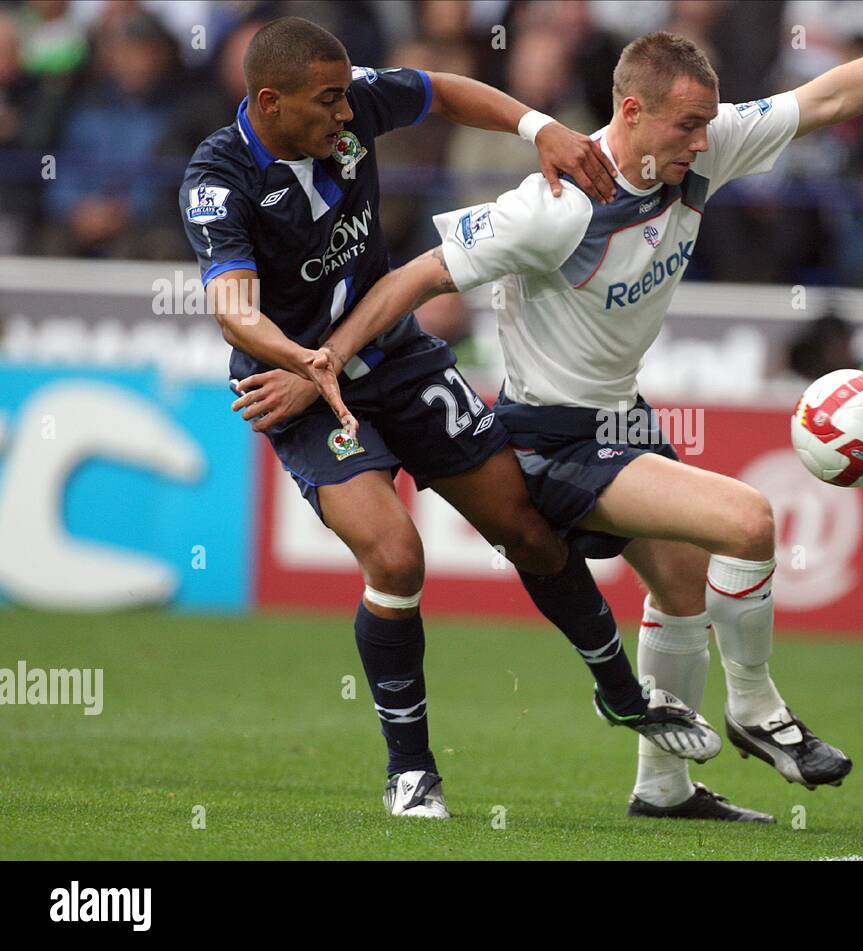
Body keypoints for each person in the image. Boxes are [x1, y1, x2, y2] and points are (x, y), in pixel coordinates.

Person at [303, 1, 863, 822]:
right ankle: (757, 710)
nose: (705, 138)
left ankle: (664, 789)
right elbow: (416, 277)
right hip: (549, 438)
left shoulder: (702, 148)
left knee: (688, 583)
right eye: (689, 123)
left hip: (621, 417)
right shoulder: (553, 204)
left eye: (708, 122)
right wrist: (326, 361)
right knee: (748, 519)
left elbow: (832, 98)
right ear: (632, 110)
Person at [180, 16, 719, 822]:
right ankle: (412, 770)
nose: (345, 114)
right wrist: (304, 364)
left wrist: (538, 127)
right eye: (327, 102)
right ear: (270, 101)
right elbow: (233, 310)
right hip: (301, 390)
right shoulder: (217, 179)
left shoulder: (347, 102)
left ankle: (622, 694)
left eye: (345, 97)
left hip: (394, 354)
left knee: (530, 528)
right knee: (397, 557)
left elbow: (442, 92)